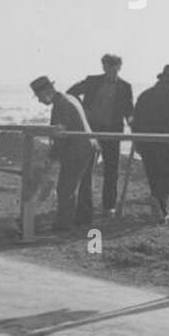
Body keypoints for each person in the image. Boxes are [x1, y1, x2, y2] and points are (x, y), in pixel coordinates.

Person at [68, 54, 134, 218]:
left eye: (113, 65)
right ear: (103, 66)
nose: (110, 68)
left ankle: (109, 206)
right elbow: (70, 94)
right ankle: (84, 207)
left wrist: (134, 130)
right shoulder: (92, 81)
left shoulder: (125, 86)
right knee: (86, 169)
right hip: (91, 131)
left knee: (111, 170)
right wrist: (82, 111)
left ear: (119, 66)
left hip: (113, 132)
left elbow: (129, 111)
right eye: (106, 65)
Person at [30, 75, 97, 233]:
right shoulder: (69, 98)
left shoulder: (62, 105)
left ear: (47, 91)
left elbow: (61, 136)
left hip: (77, 149)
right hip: (89, 145)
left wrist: (52, 158)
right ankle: (83, 220)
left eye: (39, 97)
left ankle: (63, 224)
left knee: (65, 187)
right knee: (84, 186)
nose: (40, 101)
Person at [131, 64, 169, 222]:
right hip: (164, 141)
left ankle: (161, 212)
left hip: (145, 141)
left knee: (154, 176)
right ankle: (158, 202)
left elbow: (135, 121)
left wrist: (136, 140)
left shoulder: (145, 95)